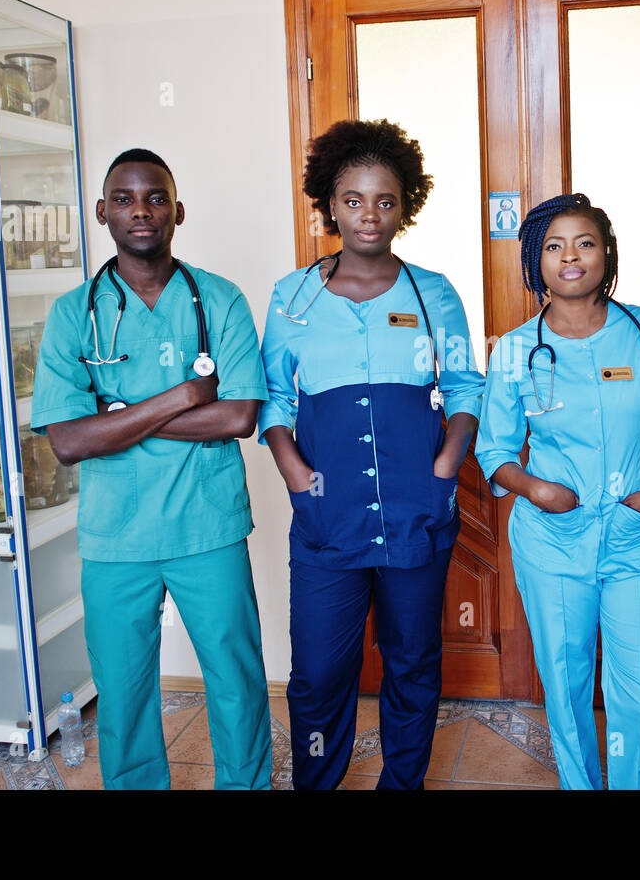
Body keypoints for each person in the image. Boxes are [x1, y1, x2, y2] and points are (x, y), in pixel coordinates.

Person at [32, 148, 271, 790]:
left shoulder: (219, 301)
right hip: (117, 537)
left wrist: (117, 415)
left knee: (236, 680)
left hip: (207, 528)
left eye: (156, 197)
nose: (142, 210)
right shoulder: (71, 315)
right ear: (104, 212)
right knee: (124, 689)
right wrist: (179, 398)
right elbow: (67, 441)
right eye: (126, 198)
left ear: (178, 210)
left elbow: (239, 417)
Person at [259, 118, 484, 790]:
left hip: (416, 512)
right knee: (321, 672)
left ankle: (402, 782)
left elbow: (466, 383)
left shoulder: (432, 292)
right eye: (353, 199)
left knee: (412, 661)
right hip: (329, 516)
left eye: (385, 200)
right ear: (330, 203)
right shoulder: (292, 297)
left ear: (404, 205)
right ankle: (318, 781)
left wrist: (444, 468)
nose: (369, 215)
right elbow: (274, 397)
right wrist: (297, 473)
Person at [474, 193, 640, 790]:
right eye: (553, 246)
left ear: (607, 254)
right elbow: (493, 451)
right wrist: (536, 489)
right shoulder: (515, 350)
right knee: (567, 691)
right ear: (535, 261)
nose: (569, 257)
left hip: (638, 540)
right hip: (554, 542)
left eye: (584, 243)